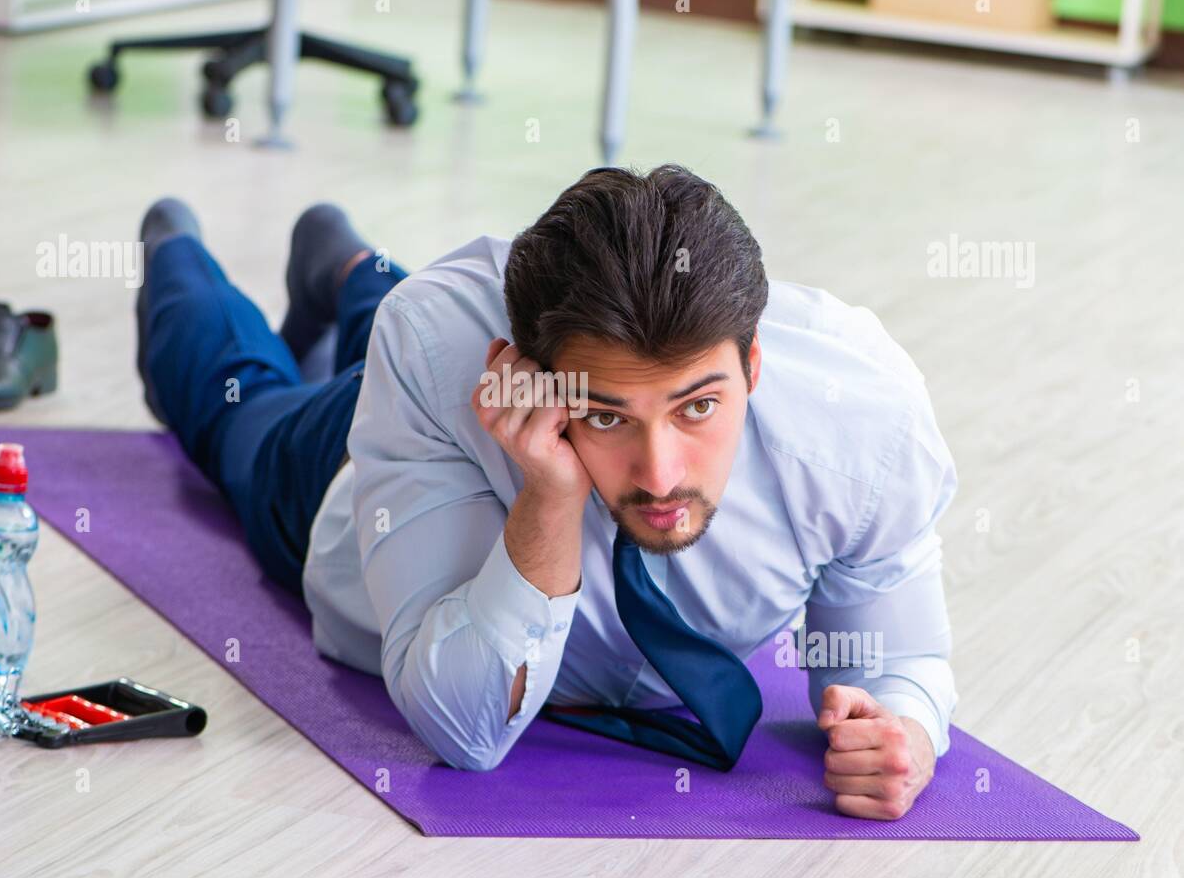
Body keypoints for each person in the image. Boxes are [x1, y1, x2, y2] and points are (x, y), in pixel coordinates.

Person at [137, 164, 958, 821]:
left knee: (390, 312)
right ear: (532, 375)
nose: (663, 473)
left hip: (434, 361)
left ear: (753, 364)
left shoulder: (863, 421)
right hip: (346, 476)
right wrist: (550, 496)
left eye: (698, 406)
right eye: (607, 415)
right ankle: (174, 245)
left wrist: (904, 730)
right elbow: (464, 731)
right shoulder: (439, 357)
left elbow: (902, 660)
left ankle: (345, 264)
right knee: (234, 408)